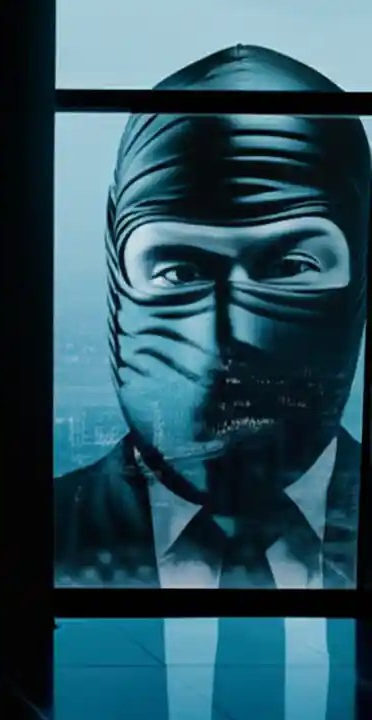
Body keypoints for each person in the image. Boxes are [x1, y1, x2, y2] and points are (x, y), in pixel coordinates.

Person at [54, 44, 368, 591]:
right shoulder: (26, 542)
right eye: (179, 271)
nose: (231, 338)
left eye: (292, 266)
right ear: (114, 267)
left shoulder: (26, 545)